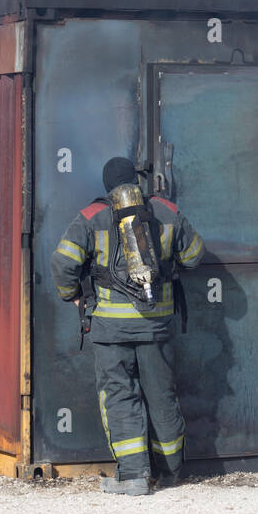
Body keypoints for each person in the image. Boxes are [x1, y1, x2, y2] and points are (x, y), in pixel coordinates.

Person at [51, 156, 205, 496]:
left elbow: (63, 262)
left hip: (110, 329)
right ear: (137, 182)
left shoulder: (92, 217)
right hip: (155, 325)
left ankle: (134, 476)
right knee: (162, 396)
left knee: (121, 396)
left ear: (108, 188)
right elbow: (194, 255)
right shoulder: (165, 210)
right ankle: (170, 473)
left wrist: (73, 297)